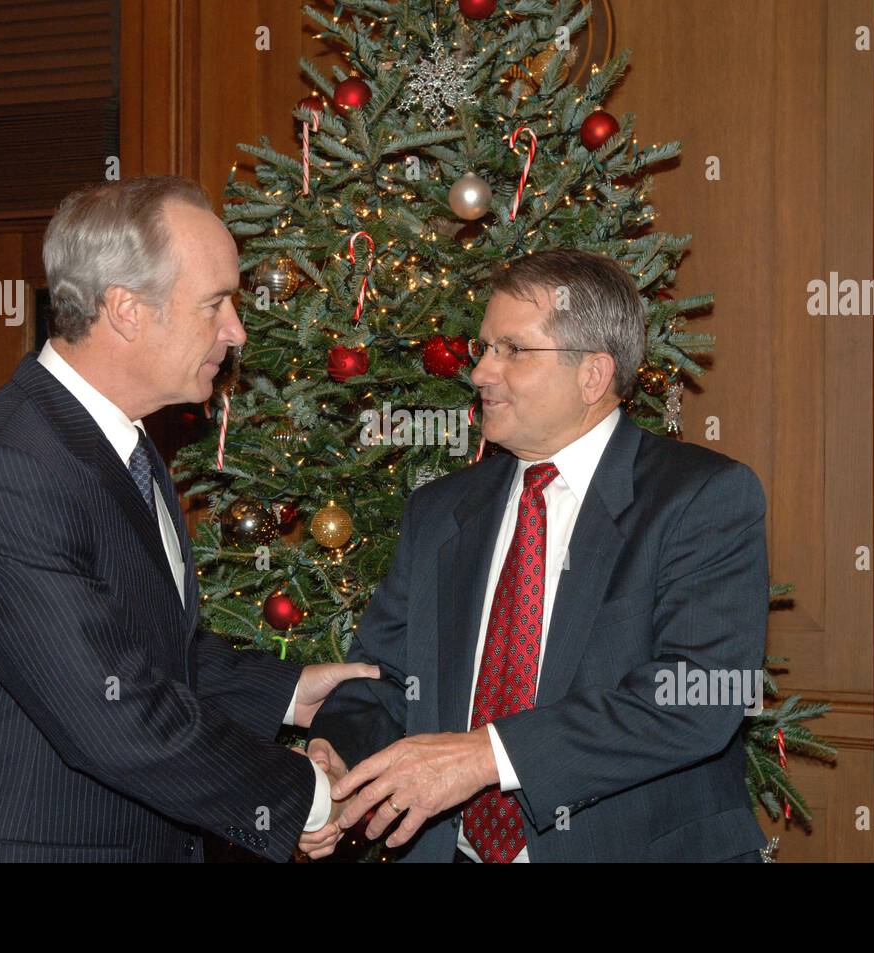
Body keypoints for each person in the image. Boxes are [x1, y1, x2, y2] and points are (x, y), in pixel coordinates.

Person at [0, 176, 372, 862]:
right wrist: (305, 795)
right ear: (126, 310)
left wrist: (289, 692)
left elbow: (138, 644)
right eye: (214, 304)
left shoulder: (122, 443)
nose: (236, 329)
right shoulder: (12, 470)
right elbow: (110, 712)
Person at [308, 249, 771, 862]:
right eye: (483, 348)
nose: (479, 373)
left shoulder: (701, 497)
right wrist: (335, 756)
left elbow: (700, 693)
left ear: (593, 374)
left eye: (512, 350)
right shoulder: (441, 511)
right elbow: (388, 677)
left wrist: (487, 755)